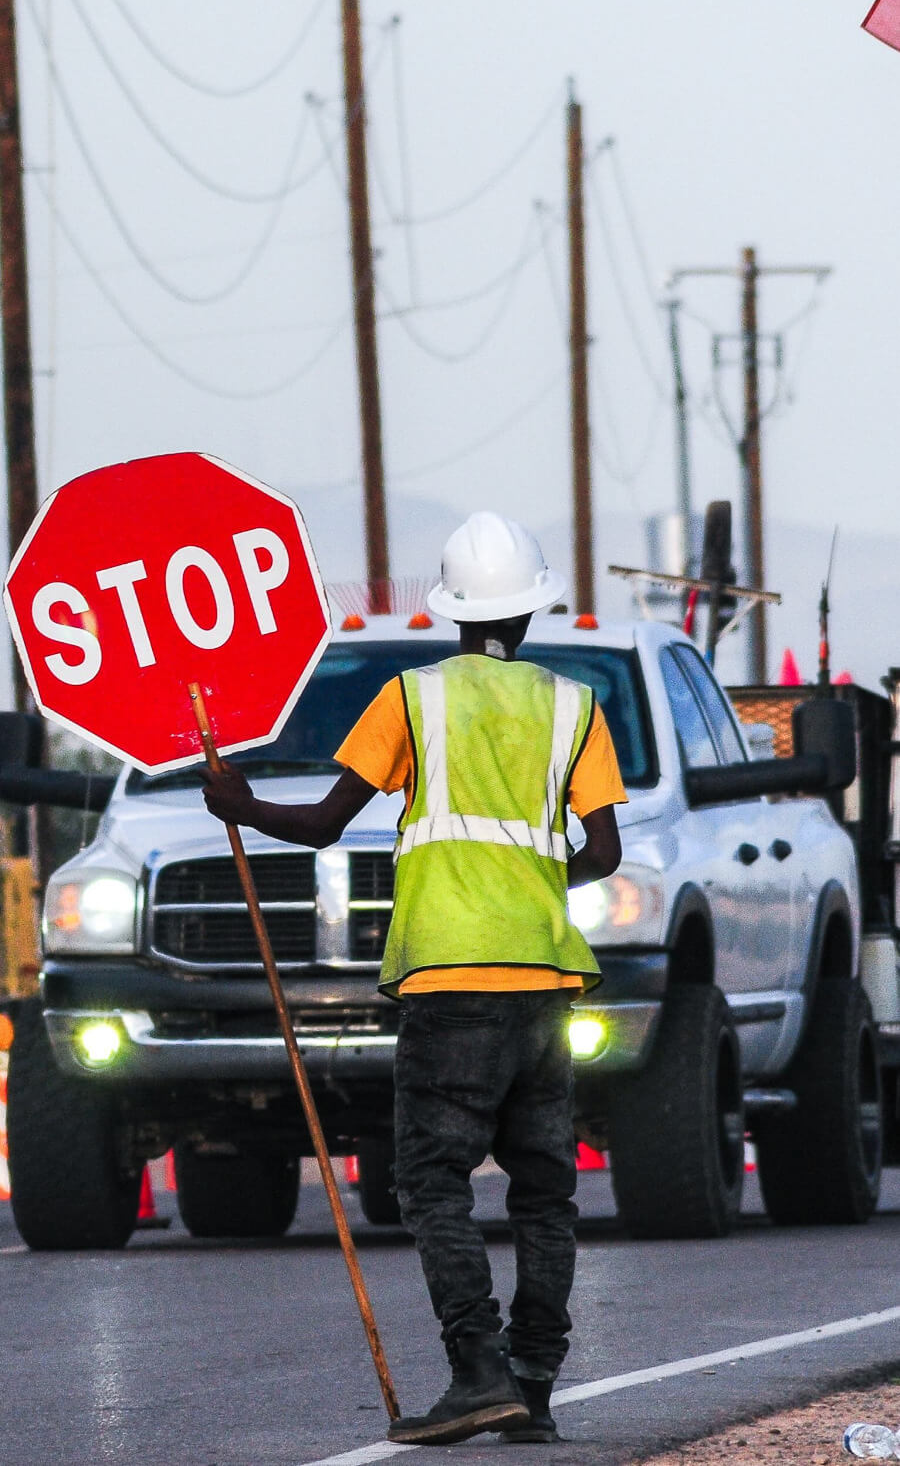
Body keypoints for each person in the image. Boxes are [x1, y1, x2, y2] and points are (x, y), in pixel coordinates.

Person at [202, 511, 626, 1446]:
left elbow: (320, 825)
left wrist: (239, 802)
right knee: (544, 1191)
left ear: (451, 614)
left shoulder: (412, 699)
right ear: (531, 612)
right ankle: (535, 1386)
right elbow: (602, 849)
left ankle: (478, 1374)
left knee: (431, 1181)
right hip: (546, 979)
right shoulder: (574, 705)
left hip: (447, 980)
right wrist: (531, 877)